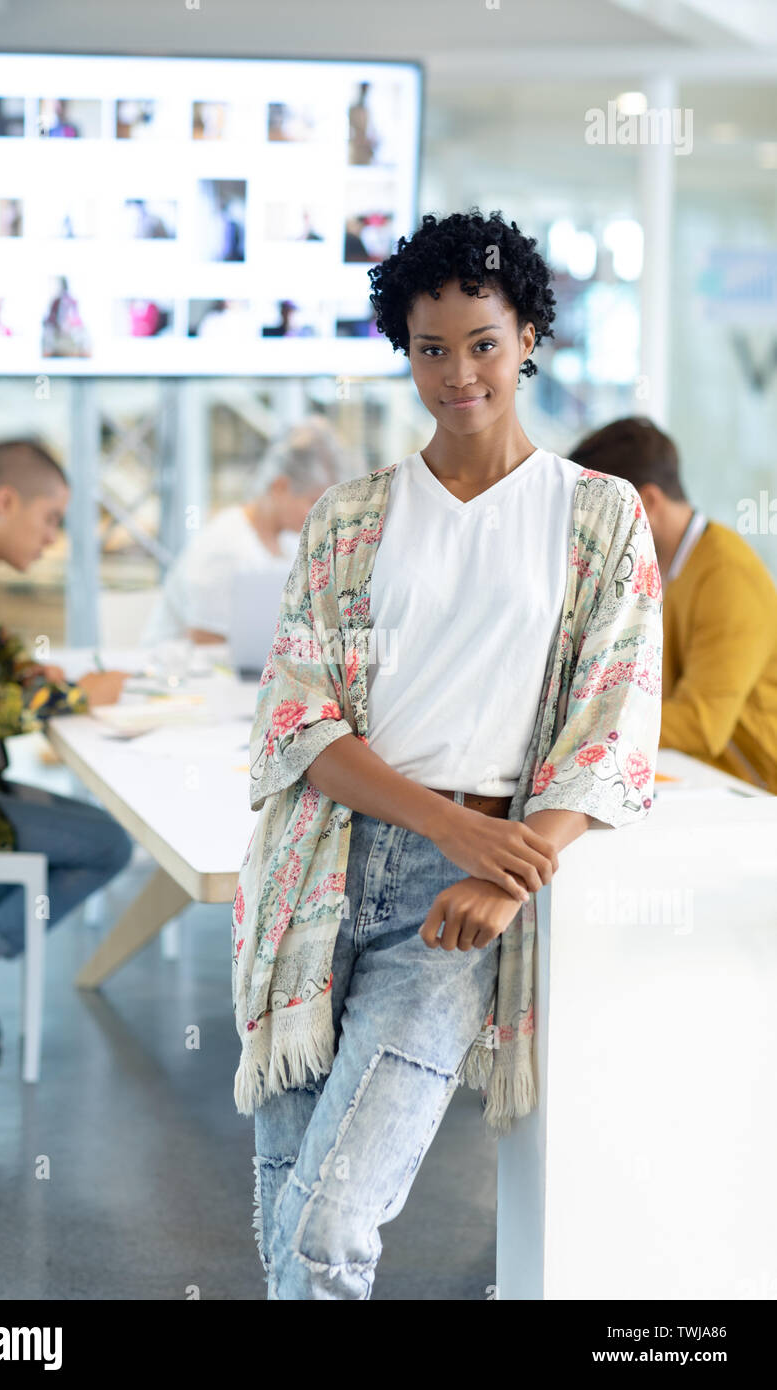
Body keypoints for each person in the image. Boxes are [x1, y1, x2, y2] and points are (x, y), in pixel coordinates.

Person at [232, 209, 663, 1299]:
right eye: (430, 348)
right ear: (404, 351)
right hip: (319, 871)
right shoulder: (349, 518)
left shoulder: (596, 515)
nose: (457, 372)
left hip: (457, 898)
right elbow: (298, 718)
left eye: (481, 342)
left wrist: (505, 862)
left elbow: (611, 723)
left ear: (527, 336)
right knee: (288, 1195)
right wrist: (451, 824)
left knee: (331, 1212)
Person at [0, 439, 134, 1063]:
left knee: (95, 835)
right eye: (50, 519)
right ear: (5, 501)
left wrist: (46, 681)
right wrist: (70, 699)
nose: (52, 539)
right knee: (106, 844)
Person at [568, 416, 777, 794]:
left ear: (647, 500)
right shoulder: (655, 566)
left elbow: (702, 725)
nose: (592, 532)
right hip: (700, 781)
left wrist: (585, 723)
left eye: (601, 514)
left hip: (755, 793)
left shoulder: (727, 576)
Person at [141, 416, 355, 648]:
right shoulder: (225, 547)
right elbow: (207, 645)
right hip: (179, 675)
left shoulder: (289, 542)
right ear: (280, 487)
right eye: (315, 502)